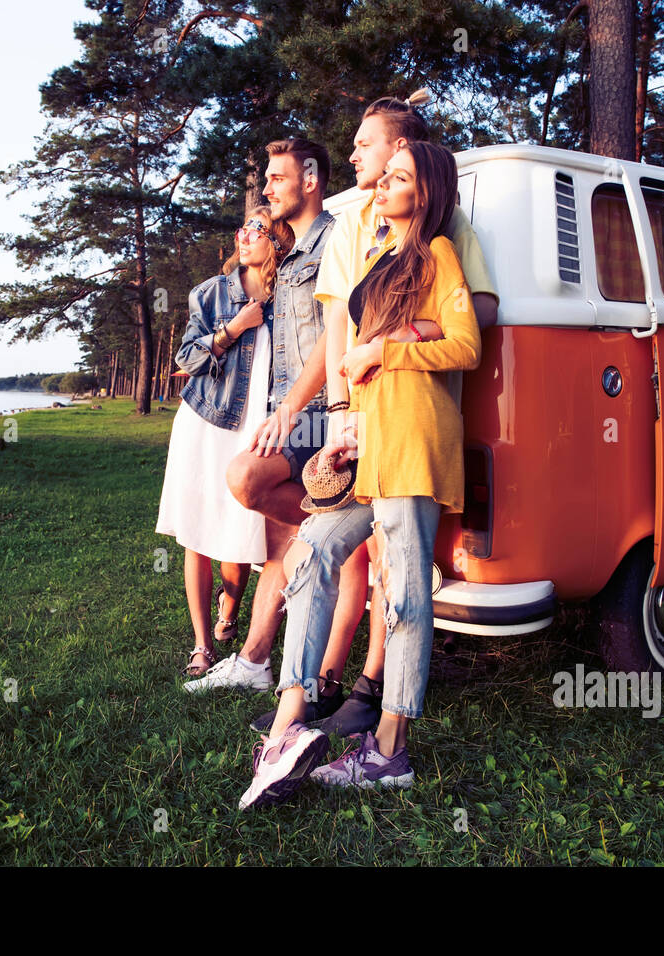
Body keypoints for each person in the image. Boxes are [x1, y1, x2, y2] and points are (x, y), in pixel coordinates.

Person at [242, 92, 500, 737]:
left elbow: (469, 331)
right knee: (314, 552)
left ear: (413, 169)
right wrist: (339, 412)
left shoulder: (443, 242)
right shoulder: (369, 237)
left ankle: (388, 733)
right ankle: (293, 714)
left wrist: (395, 341)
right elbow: (342, 329)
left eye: (379, 157)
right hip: (364, 431)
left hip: (413, 433)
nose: (364, 164)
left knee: (403, 584)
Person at [183, 137, 370, 698]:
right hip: (285, 412)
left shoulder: (337, 239)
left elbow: (333, 337)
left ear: (309, 179)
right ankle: (257, 660)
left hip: (318, 411)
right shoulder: (287, 254)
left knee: (263, 496)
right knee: (263, 512)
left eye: (278, 178)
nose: (266, 189)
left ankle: (297, 664)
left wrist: (292, 409)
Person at [157, 207, 294, 678]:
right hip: (205, 422)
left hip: (253, 429)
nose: (244, 235)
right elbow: (186, 357)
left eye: (257, 229)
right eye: (243, 228)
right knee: (196, 533)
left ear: (277, 242)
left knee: (238, 535)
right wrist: (234, 328)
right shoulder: (211, 293)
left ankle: (230, 610)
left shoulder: (289, 297)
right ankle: (200, 647)